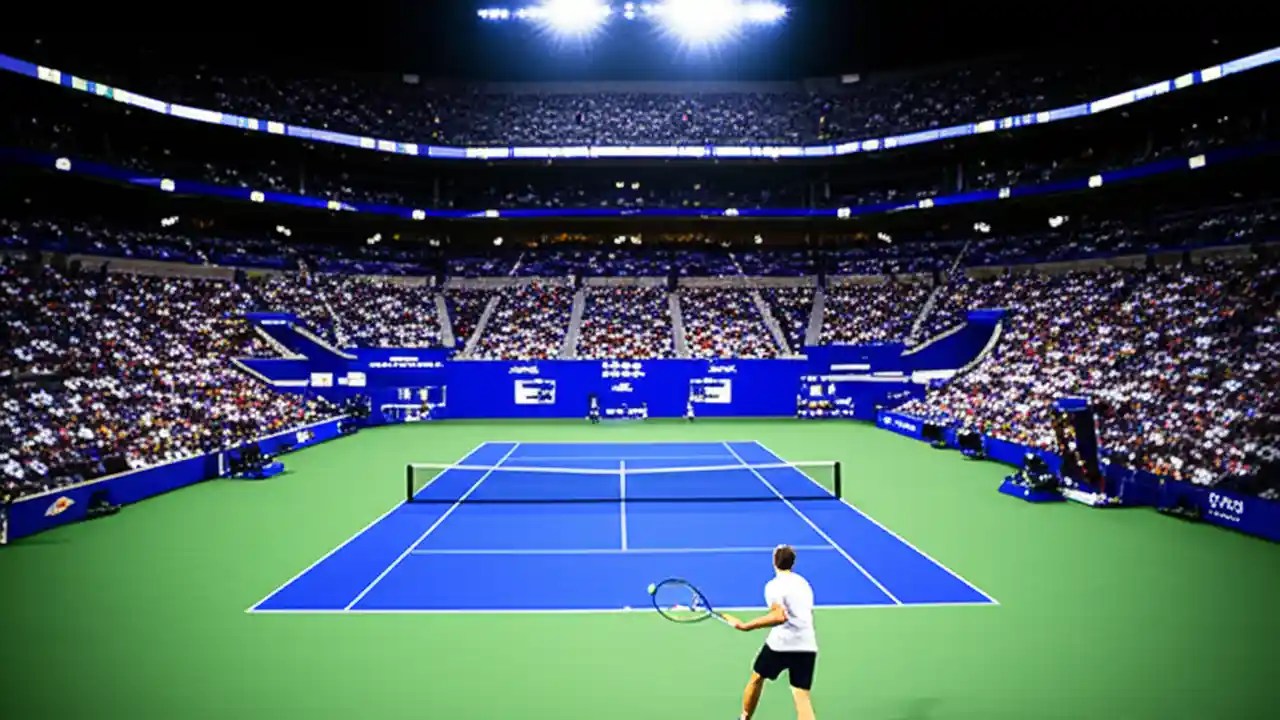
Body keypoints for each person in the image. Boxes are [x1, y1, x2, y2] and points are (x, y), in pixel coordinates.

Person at [722, 545, 817, 720]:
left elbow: (779, 616)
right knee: (802, 697)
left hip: (781, 645)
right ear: (792, 563)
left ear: (774, 562)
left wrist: (745, 626)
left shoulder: (773, 586)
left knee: (757, 678)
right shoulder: (804, 584)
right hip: (807, 644)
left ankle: (744, 718)